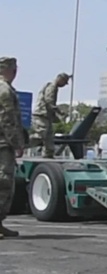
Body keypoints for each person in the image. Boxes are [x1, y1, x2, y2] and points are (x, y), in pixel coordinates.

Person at [0, 56, 25, 239]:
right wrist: (16, 143)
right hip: (2, 144)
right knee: (3, 183)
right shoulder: (5, 91)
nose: (15, 73)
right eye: (13, 69)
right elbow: (7, 120)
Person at [29, 72, 71, 158]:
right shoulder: (51, 87)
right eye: (64, 82)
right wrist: (59, 112)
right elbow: (49, 102)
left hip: (46, 115)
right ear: (60, 79)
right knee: (41, 135)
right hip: (41, 114)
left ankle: (49, 154)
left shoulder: (54, 87)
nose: (64, 85)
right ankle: (19, 144)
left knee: (49, 137)